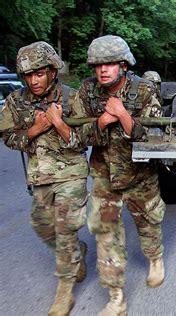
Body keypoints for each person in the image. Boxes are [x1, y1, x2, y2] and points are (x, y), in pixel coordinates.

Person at [70, 35, 166, 315]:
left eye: (110, 64)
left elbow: (154, 136)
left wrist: (124, 116)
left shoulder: (144, 90)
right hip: (104, 174)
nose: (102, 70)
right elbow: (76, 136)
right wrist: (101, 122)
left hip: (140, 173)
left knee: (148, 222)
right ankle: (116, 297)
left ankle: (155, 258)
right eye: (98, 65)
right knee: (104, 231)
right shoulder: (87, 91)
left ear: (123, 65)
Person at [1, 41, 89, 315]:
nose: (33, 80)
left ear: (52, 70)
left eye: (38, 73)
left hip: (71, 174)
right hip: (39, 176)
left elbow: (84, 141)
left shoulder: (73, 98)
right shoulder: (16, 101)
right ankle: (77, 252)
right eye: (27, 75)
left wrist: (60, 124)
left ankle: (64, 293)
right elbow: (8, 137)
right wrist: (36, 129)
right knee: (42, 226)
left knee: (64, 229)